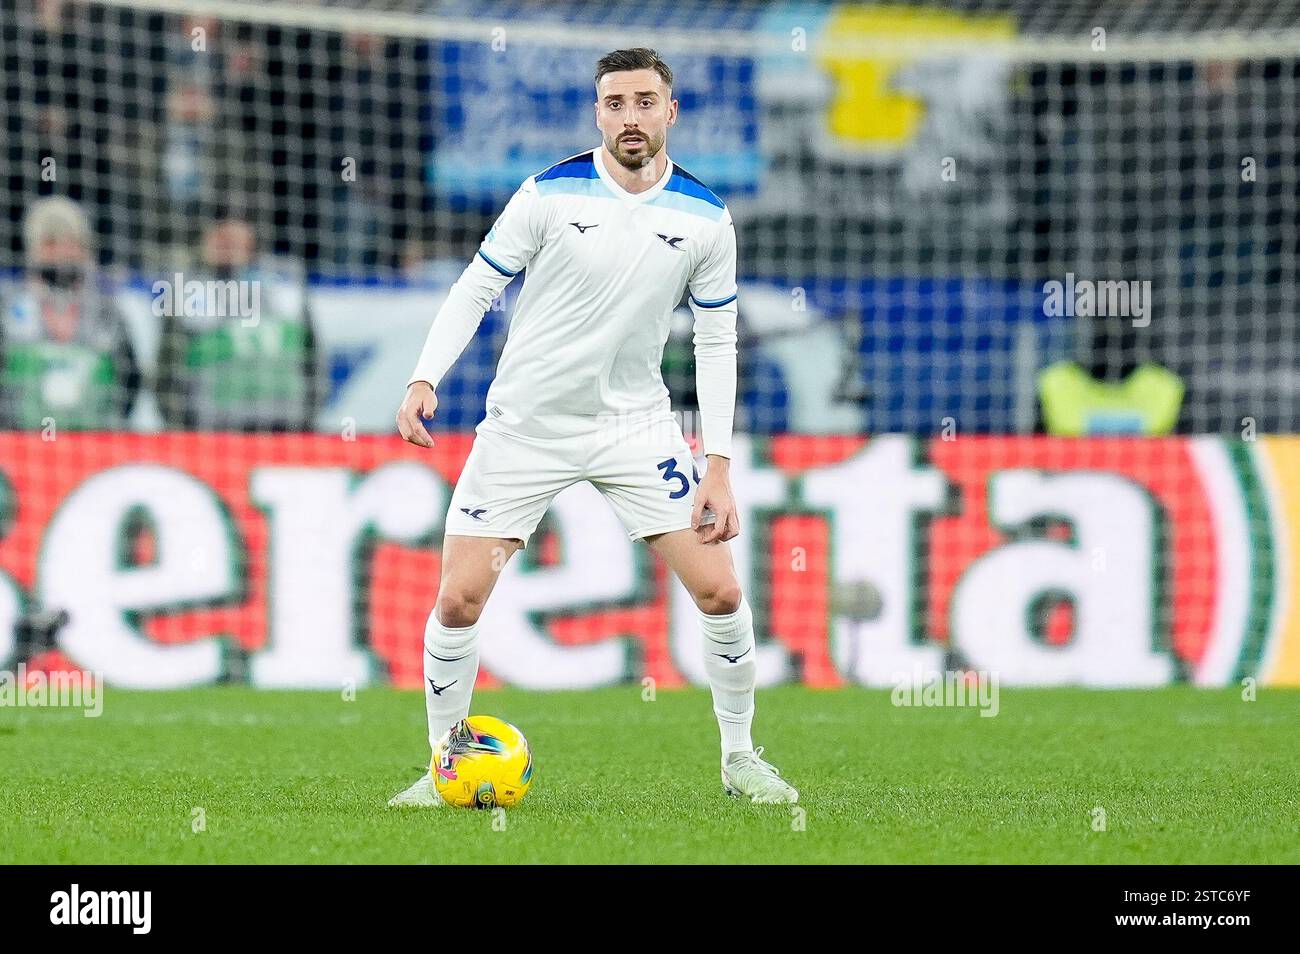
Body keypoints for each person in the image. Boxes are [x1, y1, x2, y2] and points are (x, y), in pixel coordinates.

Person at [391, 48, 798, 806]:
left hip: (635, 428)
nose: (630, 117)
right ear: (598, 113)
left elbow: (717, 339)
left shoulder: (706, 216)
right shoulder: (547, 194)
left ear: (670, 112)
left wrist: (718, 462)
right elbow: (477, 285)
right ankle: (444, 764)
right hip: (524, 429)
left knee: (719, 592)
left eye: (646, 101)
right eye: (615, 103)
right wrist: (424, 377)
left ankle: (741, 758)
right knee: (457, 603)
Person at [155, 216, 321, 431]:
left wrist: (306, 420)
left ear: (251, 237)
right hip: (210, 433)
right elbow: (166, 369)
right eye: (220, 231)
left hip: (285, 429)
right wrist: (183, 427)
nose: (227, 241)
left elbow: (314, 357)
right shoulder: (184, 291)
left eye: (235, 233)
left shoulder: (286, 282)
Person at [0, 196, 138, 429]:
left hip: (93, 443)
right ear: (33, 249)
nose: (61, 252)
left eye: (70, 241)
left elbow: (130, 379)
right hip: (20, 443)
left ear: (84, 248)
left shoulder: (107, 310)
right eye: (50, 242)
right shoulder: (8, 307)